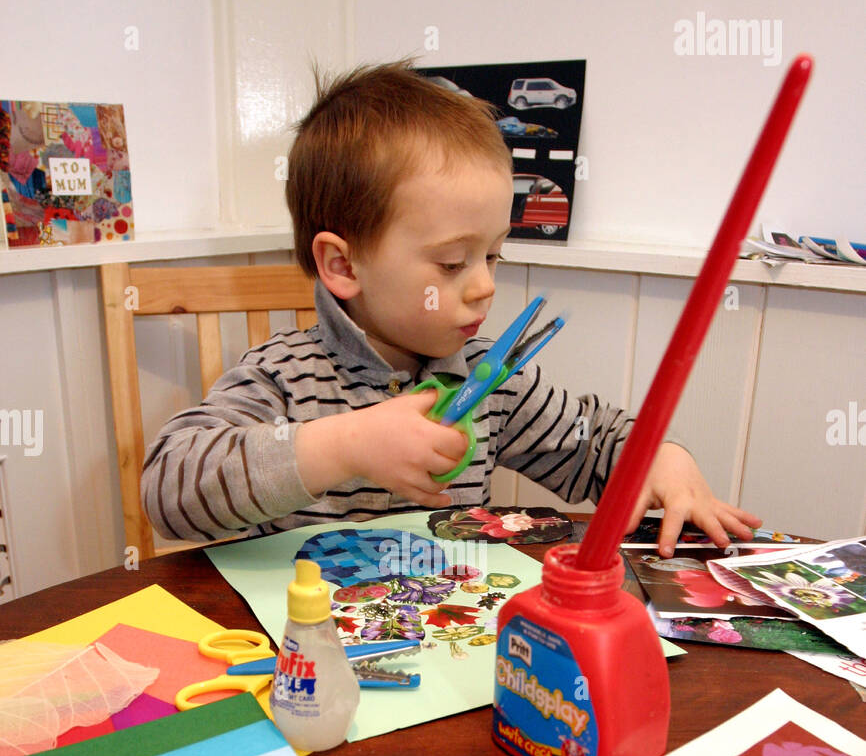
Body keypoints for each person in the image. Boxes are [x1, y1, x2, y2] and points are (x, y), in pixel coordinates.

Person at [141, 62, 761, 558]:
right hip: (307, 665)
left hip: (447, 648)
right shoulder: (284, 375)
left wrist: (661, 458)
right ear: (344, 266)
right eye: (451, 264)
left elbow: (597, 444)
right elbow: (168, 491)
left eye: (492, 256)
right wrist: (345, 444)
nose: (484, 286)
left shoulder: (489, 380)